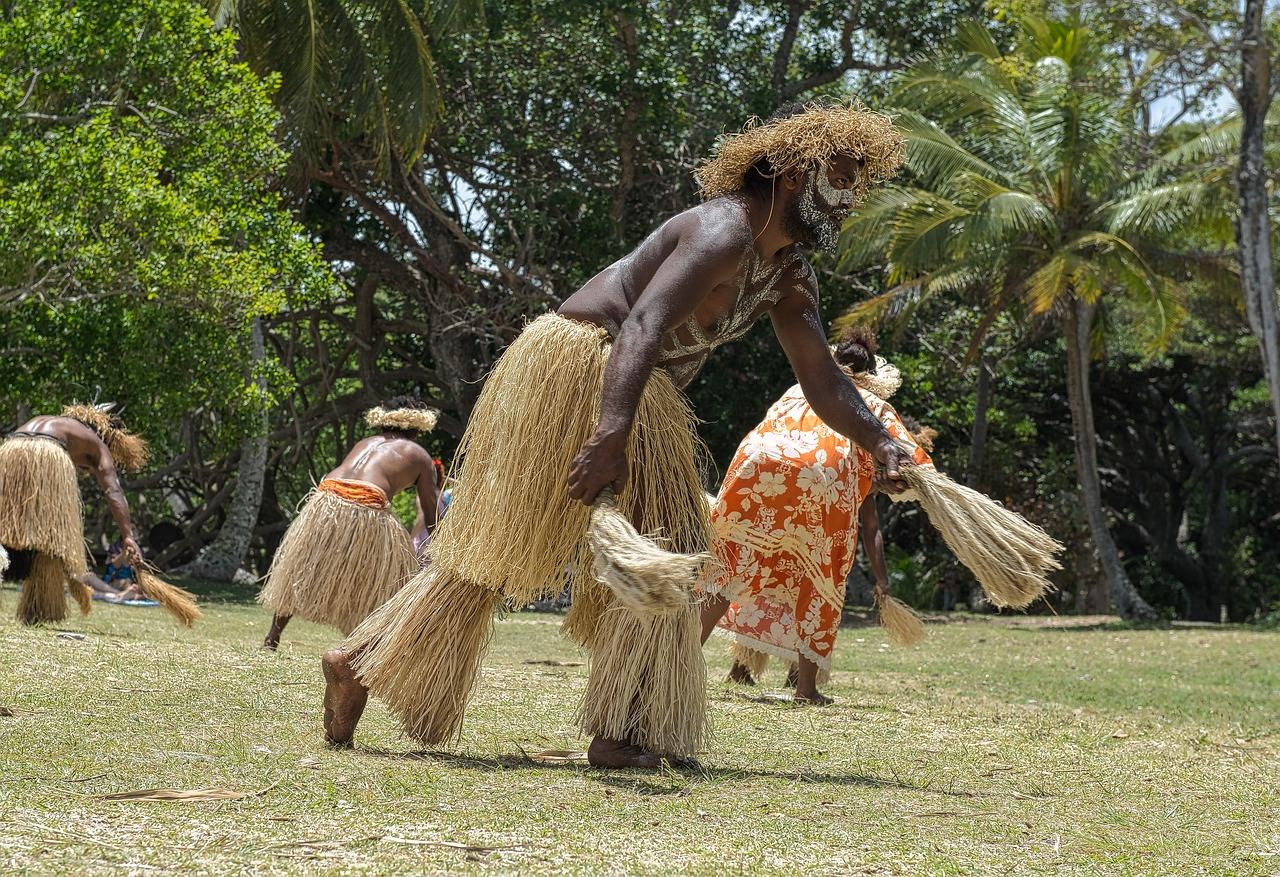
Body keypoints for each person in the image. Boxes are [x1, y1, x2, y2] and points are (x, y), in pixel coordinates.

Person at [321, 100, 915, 768]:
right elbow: (644, 324)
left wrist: (879, 441)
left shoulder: (788, 274)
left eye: (855, 186)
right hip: (581, 365)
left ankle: (365, 661)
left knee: (626, 549)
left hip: (635, 388)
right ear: (791, 174)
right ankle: (619, 730)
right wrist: (611, 434)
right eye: (840, 180)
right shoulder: (723, 229)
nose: (847, 202)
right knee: (586, 545)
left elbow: (822, 377)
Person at [700, 327, 934, 704]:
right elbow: (909, 460)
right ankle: (805, 689)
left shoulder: (800, 388)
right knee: (819, 580)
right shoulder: (870, 405)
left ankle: (681, 660)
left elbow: (766, 427)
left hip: (757, 466)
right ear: (870, 375)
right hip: (823, 481)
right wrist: (906, 479)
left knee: (728, 569)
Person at [259, 398, 440, 650]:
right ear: (417, 430)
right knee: (386, 577)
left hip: (324, 500)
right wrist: (442, 551)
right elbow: (432, 515)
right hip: (366, 505)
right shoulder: (419, 455)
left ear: (383, 424)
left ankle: (272, 637)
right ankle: (365, 644)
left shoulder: (365, 443)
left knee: (303, 566)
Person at [0, 404, 147, 624]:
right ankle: (38, 610)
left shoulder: (63, 425)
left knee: (8, 528)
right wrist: (128, 536)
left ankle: (37, 605)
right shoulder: (99, 444)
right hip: (48, 451)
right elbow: (113, 490)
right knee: (52, 538)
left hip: (10, 448)